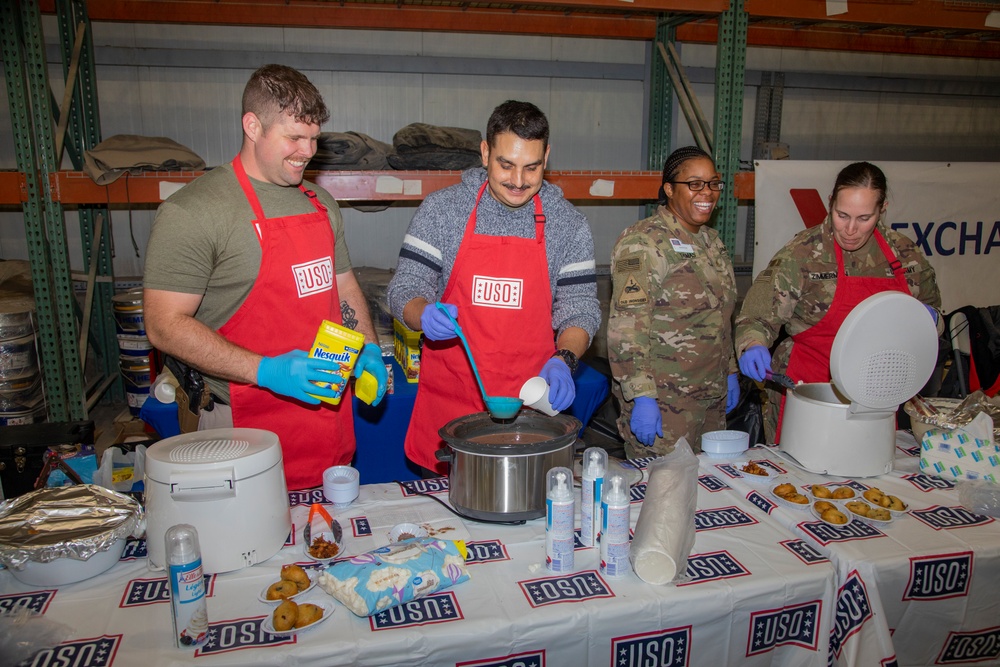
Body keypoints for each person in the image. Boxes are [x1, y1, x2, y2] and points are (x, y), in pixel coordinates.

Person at [143, 64, 388, 491]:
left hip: (324, 420)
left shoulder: (320, 203)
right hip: (239, 421)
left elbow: (343, 285)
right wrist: (265, 371)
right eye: (293, 137)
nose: (307, 151)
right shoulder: (195, 211)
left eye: (314, 138)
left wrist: (367, 346)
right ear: (252, 126)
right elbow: (164, 325)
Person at [386, 100, 601, 476]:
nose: (518, 180)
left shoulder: (568, 225)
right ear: (485, 153)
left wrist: (564, 360)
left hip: (531, 419)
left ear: (546, 158)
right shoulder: (443, 212)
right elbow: (405, 287)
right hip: (450, 417)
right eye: (506, 164)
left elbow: (580, 308)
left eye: (531, 167)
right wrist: (422, 313)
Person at [735, 161, 943, 443]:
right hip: (809, 388)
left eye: (864, 218)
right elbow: (757, 317)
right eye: (842, 215)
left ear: (882, 210)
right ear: (830, 203)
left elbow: (933, 315)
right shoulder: (802, 254)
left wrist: (930, 320)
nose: (850, 229)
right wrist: (753, 343)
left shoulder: (906, 255)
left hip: (878, 394)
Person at [607, 146, 740, 459]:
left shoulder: (711, 242)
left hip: (710, 398)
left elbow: (721, 314)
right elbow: (628, 327)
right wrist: (641, 396)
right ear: (669, 188)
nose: (706, 192)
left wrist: (731, 371)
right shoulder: (643, 242)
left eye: (713, 183)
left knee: (708, 494)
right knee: (662, 499)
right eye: (694, 184)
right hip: (665, 405)